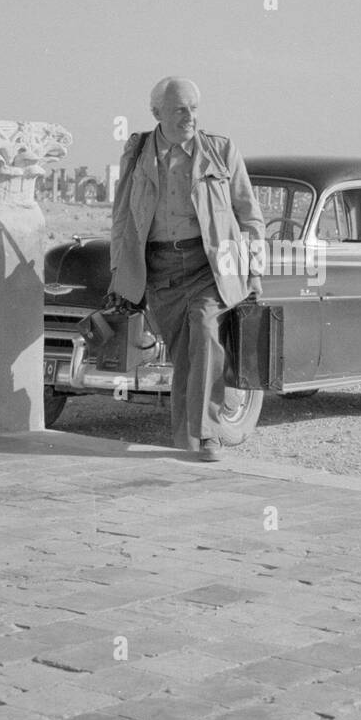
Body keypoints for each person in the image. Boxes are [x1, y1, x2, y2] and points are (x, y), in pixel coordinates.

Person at [108, 78, 264, 460]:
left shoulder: (221, 150)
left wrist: (254, 272)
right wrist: (119, 275)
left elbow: (250, 217)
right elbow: (121, 218)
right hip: (159, 268)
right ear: (157, 113)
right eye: (180, 109)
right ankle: (185, 441)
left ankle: (208, 435)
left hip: (208, 264)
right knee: (185, 356)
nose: (190, 117)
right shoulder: (138, 152)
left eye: (194, 108)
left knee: (207, 335)